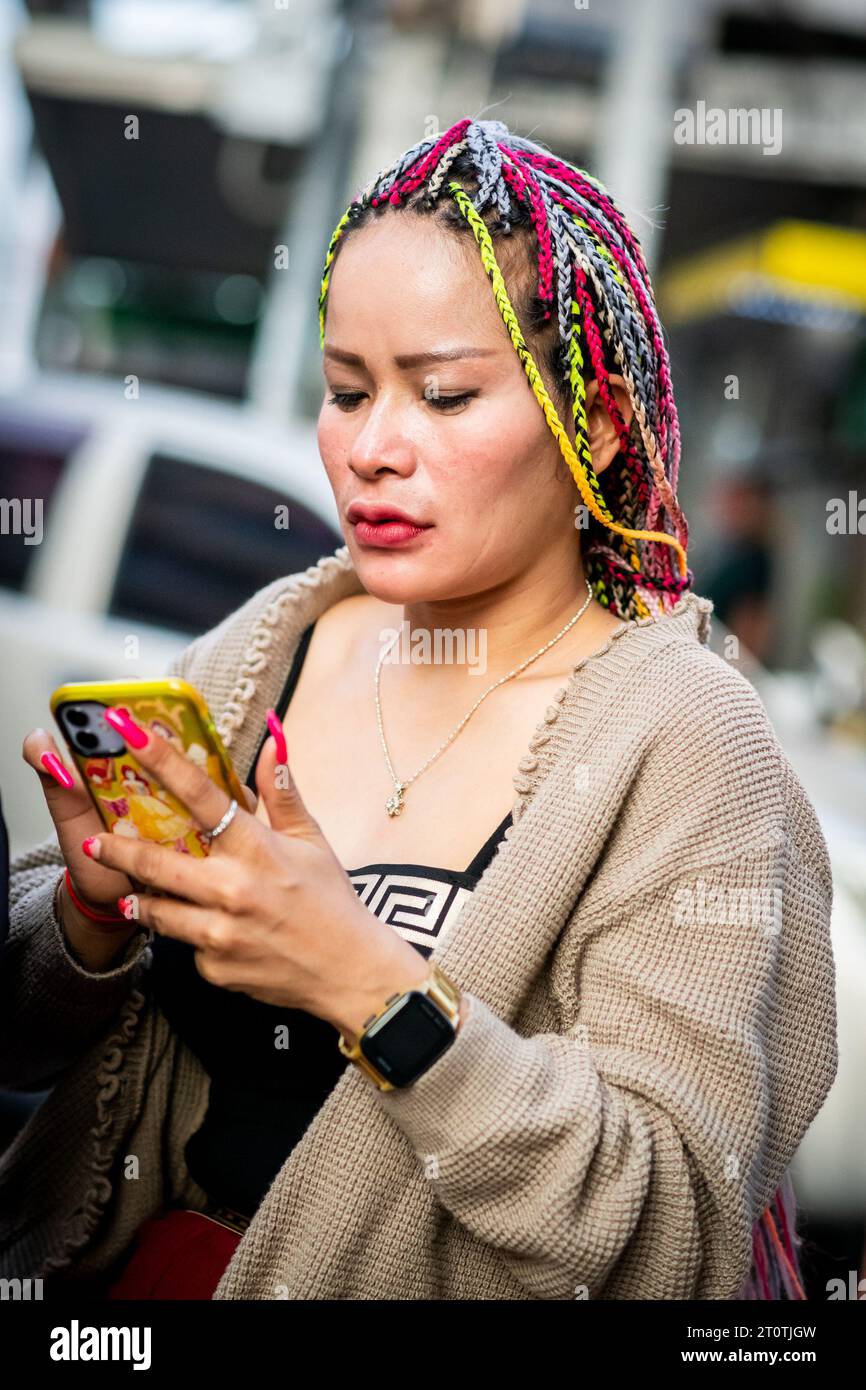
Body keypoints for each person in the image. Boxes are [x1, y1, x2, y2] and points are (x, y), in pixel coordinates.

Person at [1, 118, 836, 1301]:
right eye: (346, 391)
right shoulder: (266, 644)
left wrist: (365, 982)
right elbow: (28, 1039)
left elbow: (661, 1232)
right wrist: (92, 913)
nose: (372, 449)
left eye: (443, 395)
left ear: (592, 422)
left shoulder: (686, 743)